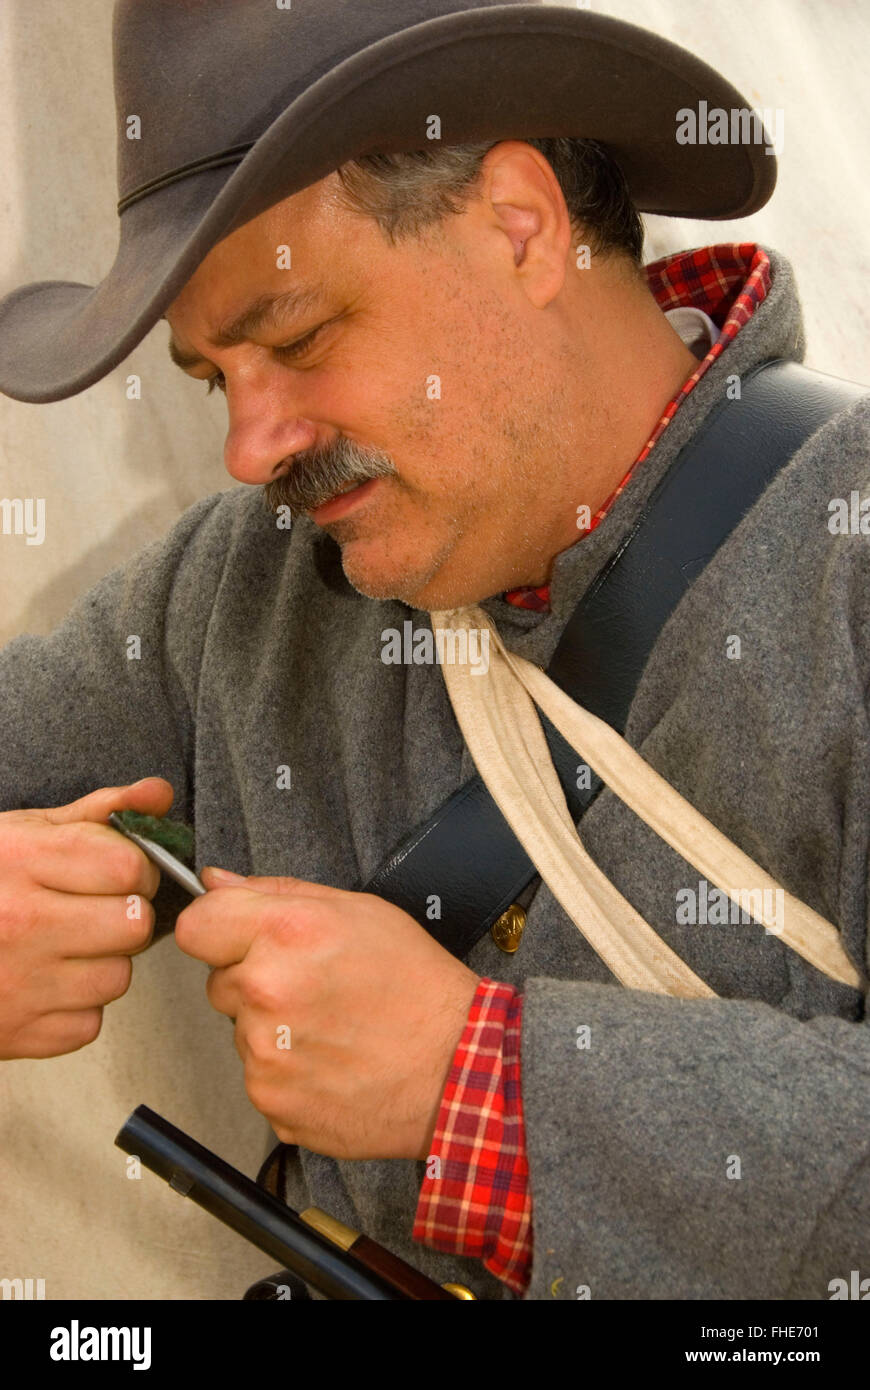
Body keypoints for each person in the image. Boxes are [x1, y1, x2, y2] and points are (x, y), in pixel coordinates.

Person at [0, 0, 868, 1301]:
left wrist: (483, 1086)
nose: (247, 450)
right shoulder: (235, 589)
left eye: (295, 337)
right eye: (211, 375)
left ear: (517, 228)